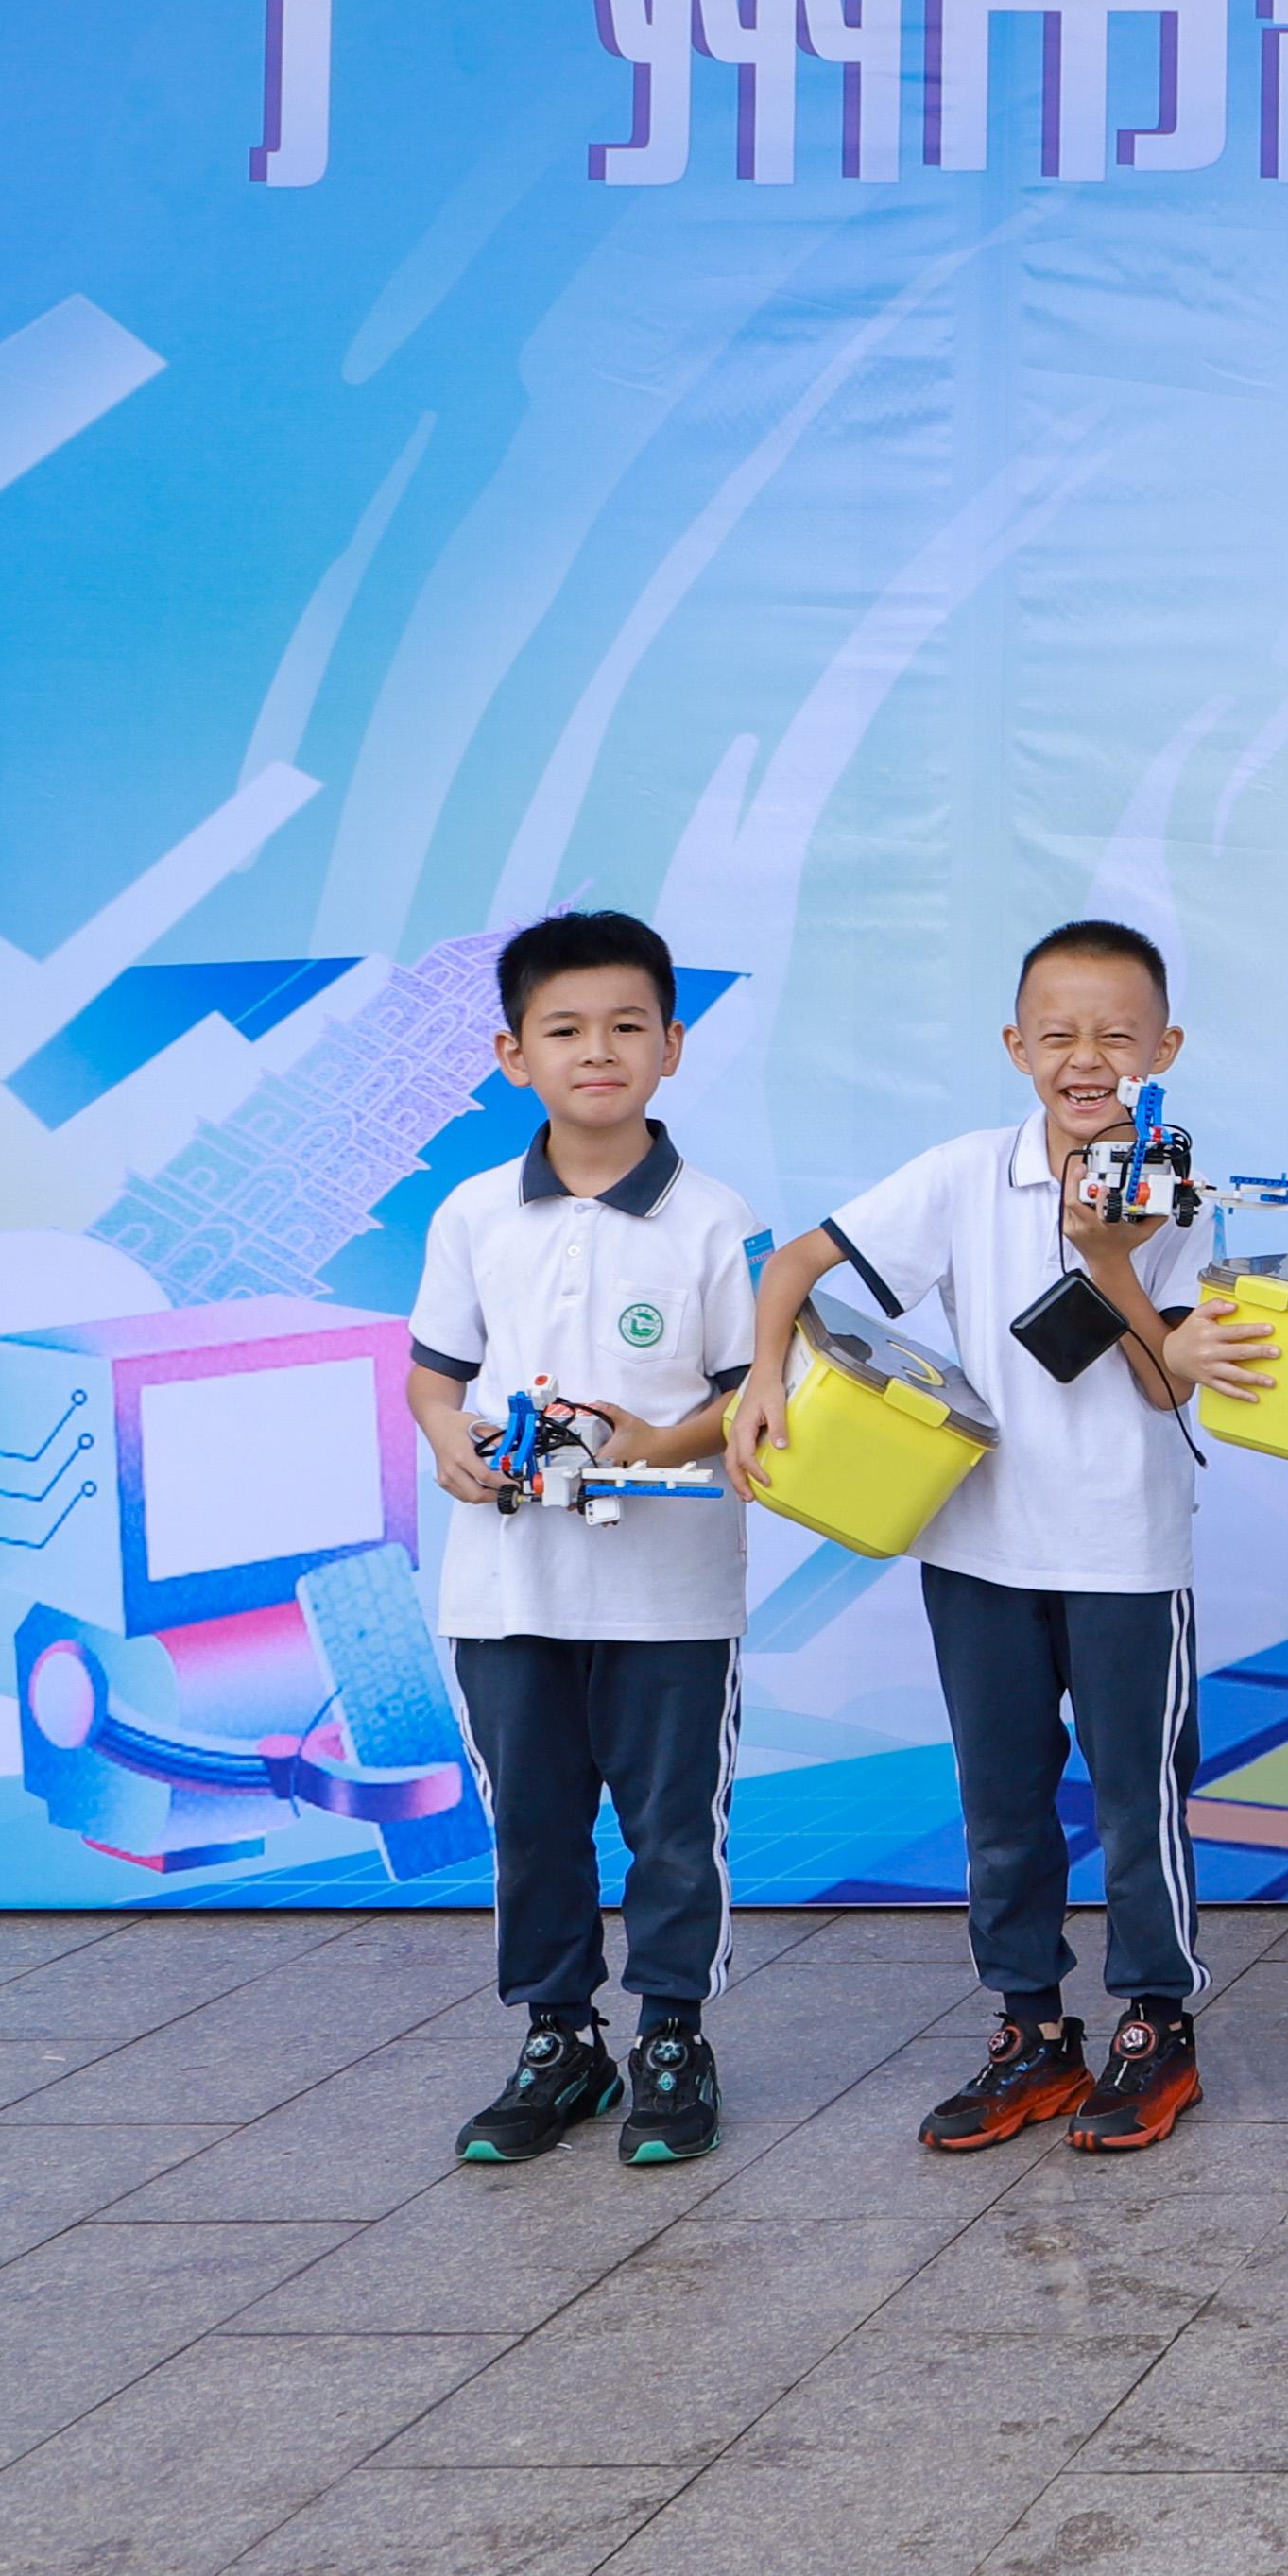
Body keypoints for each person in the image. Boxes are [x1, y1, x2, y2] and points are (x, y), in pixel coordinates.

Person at [733, 919, 1280, 2158]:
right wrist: (768, 1376)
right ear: (1015, 1043)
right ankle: (1031, 2030)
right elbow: (797, 1265)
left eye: (1118, 1035)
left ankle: (1156, 2026)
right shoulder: (962, 1174)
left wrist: (1107, 1256)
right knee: (1002, 1806)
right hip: (976, 1550)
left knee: (1141, 1803)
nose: (1087, 1057)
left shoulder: (1180, 1192)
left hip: (1127, 1553)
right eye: (1059, 1033)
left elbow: (1166, 1381)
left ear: (1165, 1049)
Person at [407, 911, 762, 2169]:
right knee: (535, 1823)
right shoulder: (473, 1213)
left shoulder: (714, 1218)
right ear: (514, 1054)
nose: (597, 1050)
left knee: (674, 1825)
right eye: (564, 1028)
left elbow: (753, 1394)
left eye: (626, 1025)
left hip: (670, 1591)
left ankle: (671, 2035)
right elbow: (433, 1374)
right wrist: (448, 1438)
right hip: (507, 1585)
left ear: (673, 1044)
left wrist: (661, 1441)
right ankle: (559, 2037)